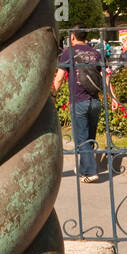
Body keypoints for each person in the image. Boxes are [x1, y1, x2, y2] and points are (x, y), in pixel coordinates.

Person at [53, 27, 104, 183]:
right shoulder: (96, 53)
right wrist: (113, 98)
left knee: (82, 138)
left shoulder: (69, 52)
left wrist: (53, 95)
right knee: (89, 137)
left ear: (73, 36)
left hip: (79, 101)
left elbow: (60, 77)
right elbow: (105, 77)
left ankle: (90, 172)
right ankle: (83, 168)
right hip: (95, 101)